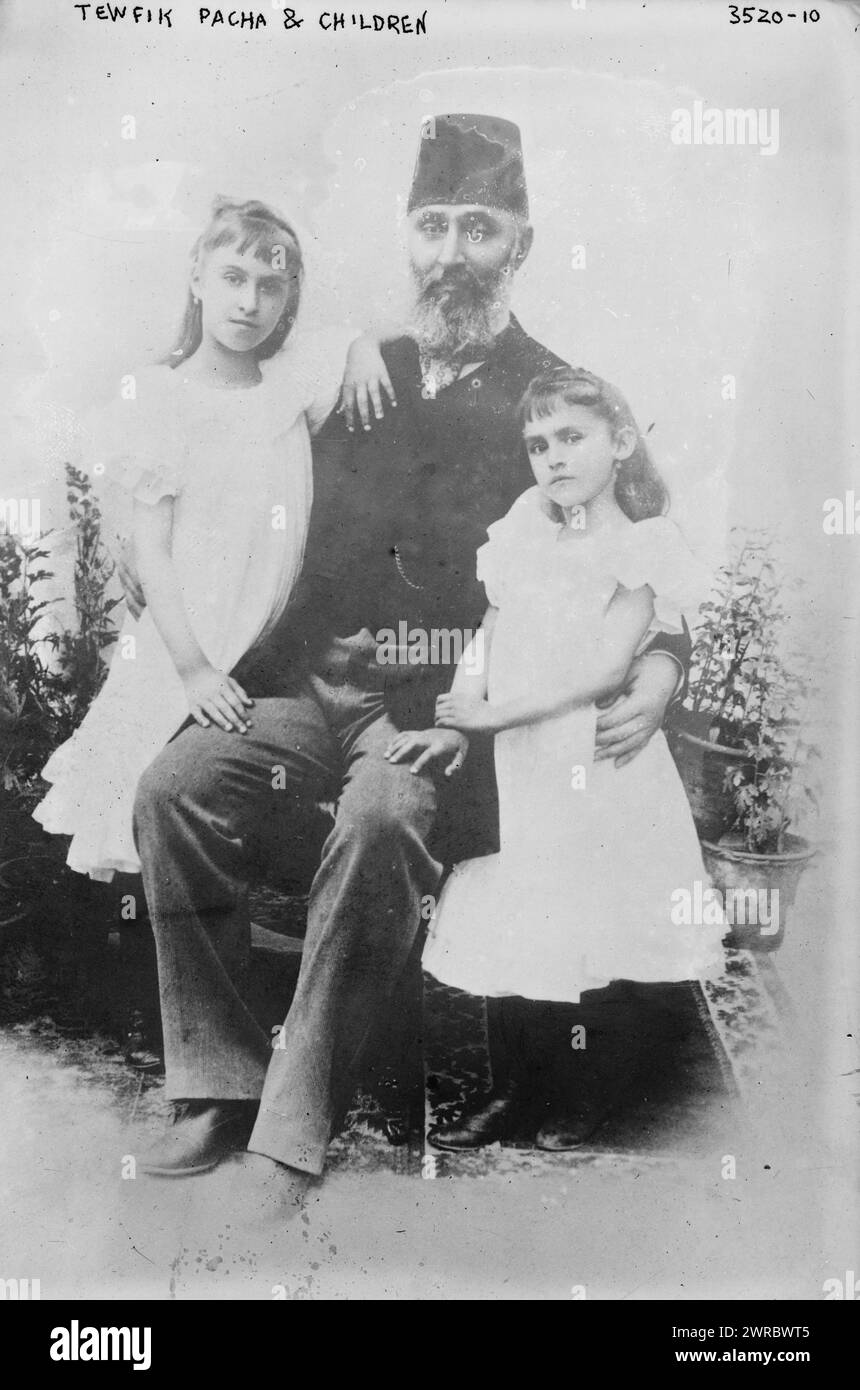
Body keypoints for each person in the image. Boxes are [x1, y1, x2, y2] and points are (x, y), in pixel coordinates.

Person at [126, 116, 693, 1210]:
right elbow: (220, 439)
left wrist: (662, 660)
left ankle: (288, 1136)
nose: (449, 251)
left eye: (477, 228)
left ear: (520, 244)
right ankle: (215, 1081)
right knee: (171, 791)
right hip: (306, 682)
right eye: (430, 225)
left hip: (442, 710)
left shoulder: (560, 396)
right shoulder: (354, 367)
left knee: (381, 822)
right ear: (406, 236)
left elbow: (638, 547)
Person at [389, 365, 725, 1150]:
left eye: (572, 437)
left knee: (593, 911)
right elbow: (492, 629)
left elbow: (608, 671)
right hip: (523, 763)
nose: (553, 457)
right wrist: (461, 714)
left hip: (598, 762)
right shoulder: (523, 529)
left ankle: (589, 1089)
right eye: (538, 444)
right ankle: (515, 1089)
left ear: (621, 442)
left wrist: (494, 713)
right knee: (525, 908)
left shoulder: (644, 544)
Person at [33, 195, 389, 882]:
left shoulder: (288, 383)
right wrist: (193, 667)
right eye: (232, 278)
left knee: (189, 789)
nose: (250, 301)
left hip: (261, 639)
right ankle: (109, 953)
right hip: (188, 633)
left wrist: (364, 346)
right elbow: (154, 550)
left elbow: (352, 332)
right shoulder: (164, 397)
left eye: (270, 285)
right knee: (131, 783)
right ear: (197, 278)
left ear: (289, 298)